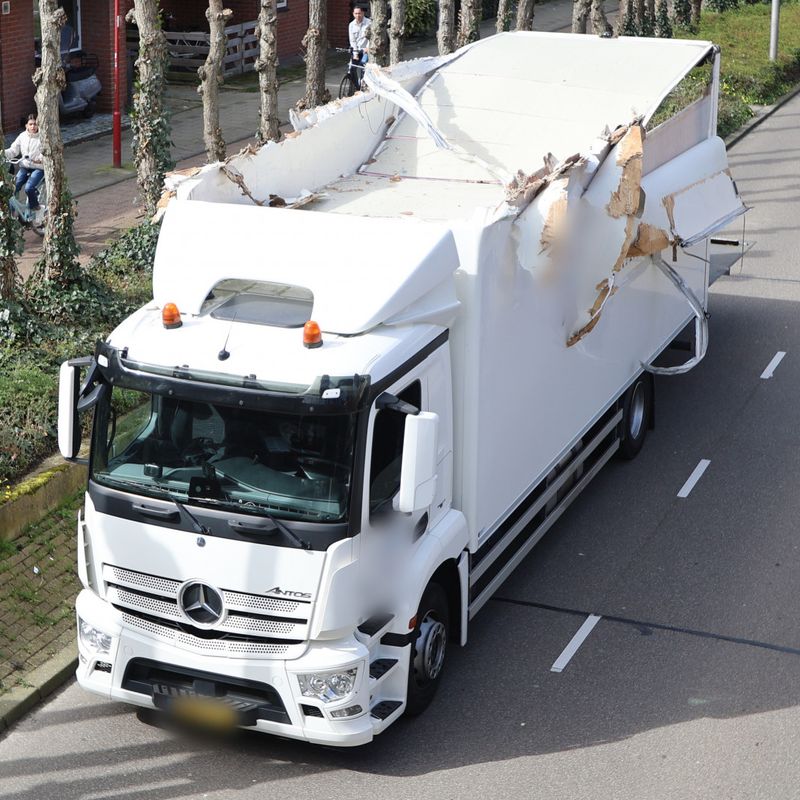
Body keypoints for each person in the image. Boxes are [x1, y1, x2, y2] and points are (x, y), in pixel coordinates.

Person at [4, 115, 44, 217]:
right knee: (13, 188)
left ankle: (36, 207)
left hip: (38, 168)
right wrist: (2, 154)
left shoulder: (42, 137)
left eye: (35, 124)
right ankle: (13, 213)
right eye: (30, 124)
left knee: (29, 188)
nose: (33, 126)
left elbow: (45, 153)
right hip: (25, 167)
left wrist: (39, 159)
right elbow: (13, 150)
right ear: (26, 125)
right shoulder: (22, 136)